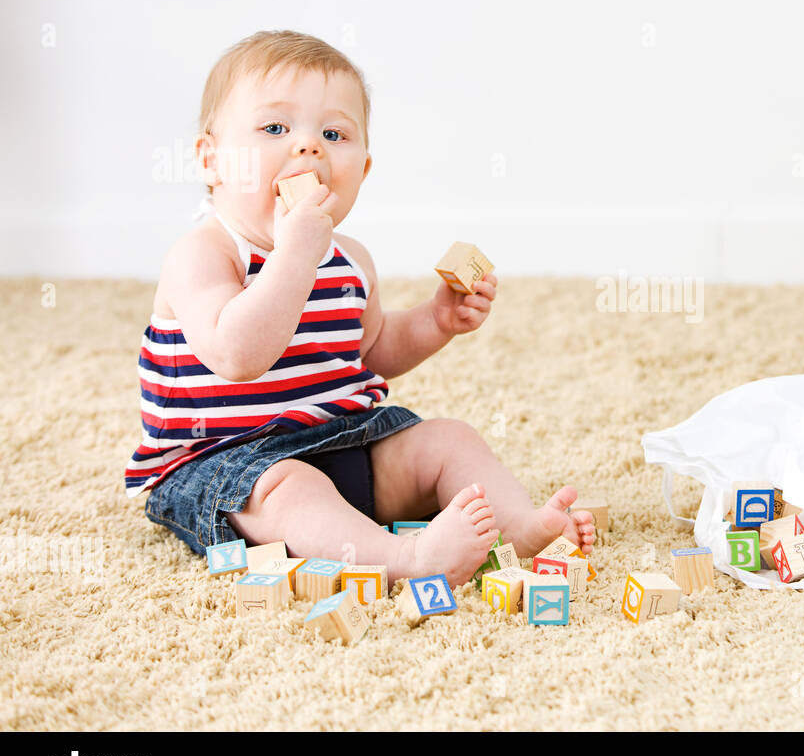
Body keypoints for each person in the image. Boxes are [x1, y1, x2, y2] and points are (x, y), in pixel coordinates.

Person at [124, 30, 593, 585]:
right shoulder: (203, 254)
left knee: (449, 438)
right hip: (233, 469)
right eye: (275, 128)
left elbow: (369, 349)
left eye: (333, 133)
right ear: (211, 160)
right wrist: (294, 256)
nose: (308, 147)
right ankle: (407, 560)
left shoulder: (351, 259)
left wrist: (435, 320)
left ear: (362, 171)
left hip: (347, 440)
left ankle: (514, 526)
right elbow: (237, 353)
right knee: (291, 491)